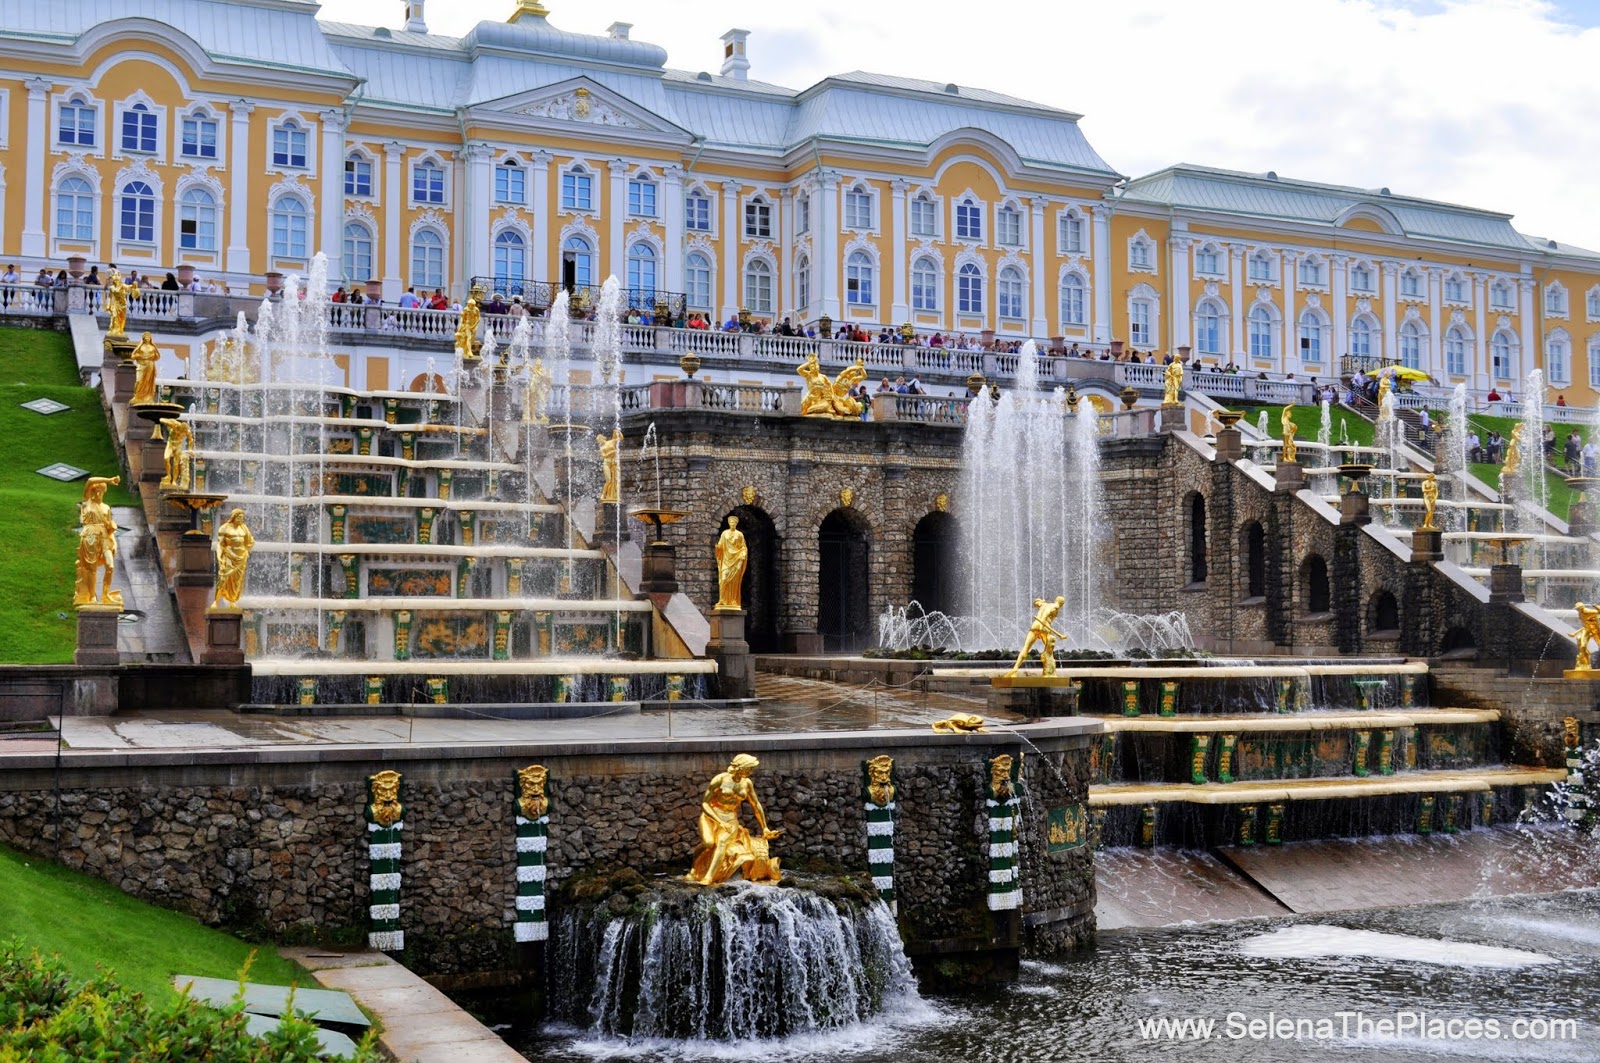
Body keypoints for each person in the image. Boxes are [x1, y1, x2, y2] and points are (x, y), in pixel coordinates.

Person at [685, 754, 783, 887]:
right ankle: (694, 868)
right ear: (740, 767)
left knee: (722, 842)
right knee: (708, 843)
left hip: (730, 818)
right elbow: (705, 804)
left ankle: (709, 877)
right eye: (749, 768)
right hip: (711, 816)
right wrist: (719, 821)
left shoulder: (747, 783)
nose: (751, 772)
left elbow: (755, 805)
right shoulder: (720, 779)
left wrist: (765, 828)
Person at [74, 476, 124, 608]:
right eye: (96, 491)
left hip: (104, 537)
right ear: (92, 491)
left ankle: (105, 594)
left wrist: (113, 538)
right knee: (92, 568)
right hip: (90, 535)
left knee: (110, 566)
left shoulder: (106, 508)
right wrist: (109, 480)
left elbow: (108, 526)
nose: (98, 493)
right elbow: (90, 481)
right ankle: (91, 596)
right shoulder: (86, 503)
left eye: (101, 491)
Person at [212, 509, 255, 608]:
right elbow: (220, 545)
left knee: (237, 581)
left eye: (242, 518)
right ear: (233, 517)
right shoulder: (224, 528)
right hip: (229, 557)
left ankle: (232, 601)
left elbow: (250, 541)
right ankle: (215, 601)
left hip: (241, 558)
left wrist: (245, 551)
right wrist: (220, 558)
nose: (241, 520)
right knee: (223, 578)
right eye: (239, 517)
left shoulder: (244, 528)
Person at [714, 516, 749, 610]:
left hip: (736, 560)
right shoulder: (724, 533)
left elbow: (743, 547)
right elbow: (721, 545)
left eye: (734, 523)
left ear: (736, 524)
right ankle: (722, 599)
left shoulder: (739, 535)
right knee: (723, 579)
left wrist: (742, 556)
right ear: (729, 523)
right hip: (726, 560)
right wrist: (718, 548)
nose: (732, 524)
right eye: (731, 523)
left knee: (734, 581)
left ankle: (733, 600)